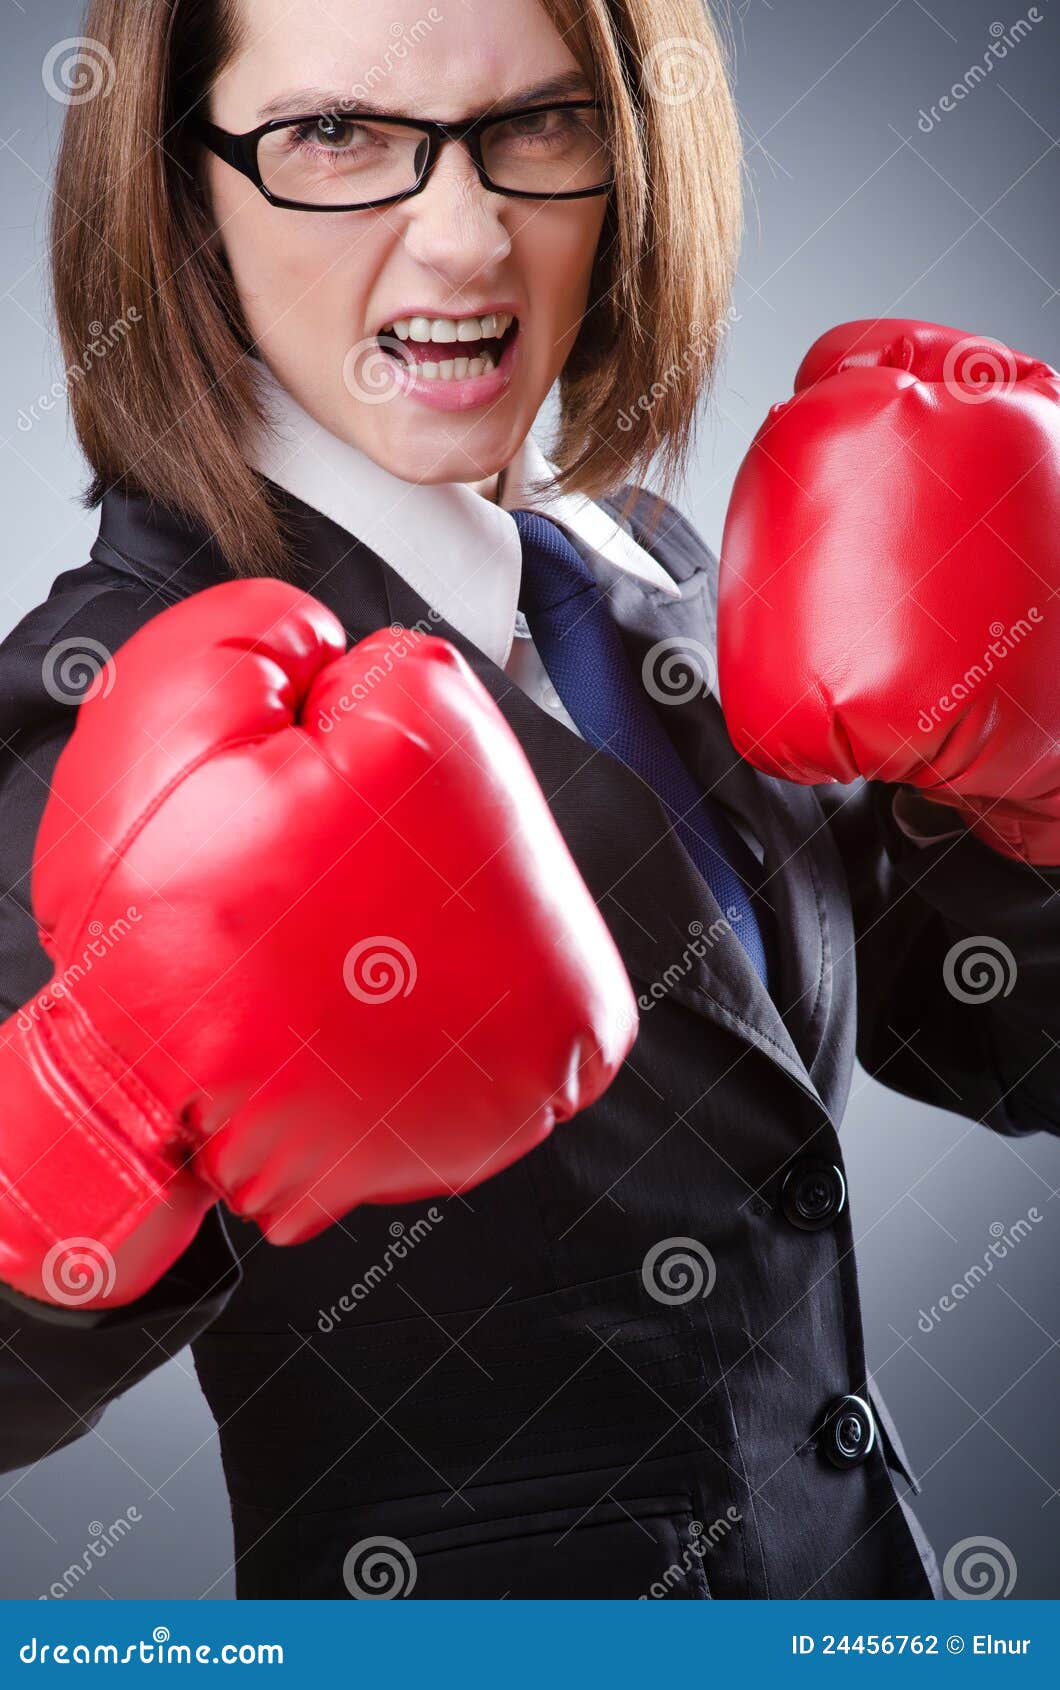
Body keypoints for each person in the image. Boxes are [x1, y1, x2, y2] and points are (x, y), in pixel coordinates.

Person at [1, 0, 1057, 1601]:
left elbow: (988, 1028)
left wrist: (1040, 799)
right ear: (180, 194)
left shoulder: (649, 577)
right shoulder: (104, 699)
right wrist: (86, 1113)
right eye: (337, 135)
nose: (467, 236)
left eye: (539, 125)